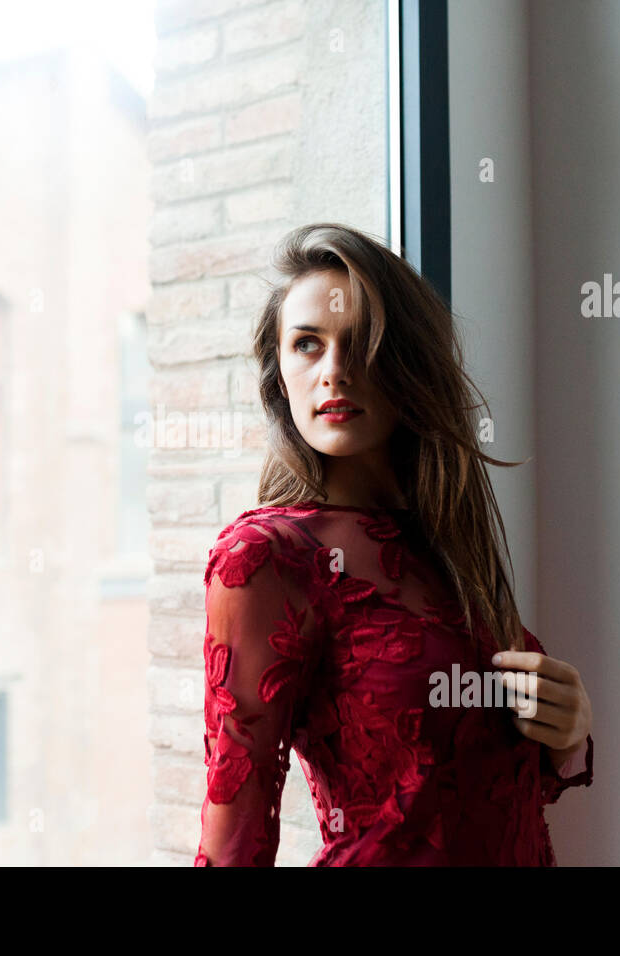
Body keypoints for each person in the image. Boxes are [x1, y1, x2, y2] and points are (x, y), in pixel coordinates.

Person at [195, 223, 594, 866]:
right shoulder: (266, 557)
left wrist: (567, 730)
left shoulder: (451, 542)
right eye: (306, 345)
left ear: (409, 362)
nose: (333, 371)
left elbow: (484, 788)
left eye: (361, 344)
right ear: (280, 376)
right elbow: (235, 833)